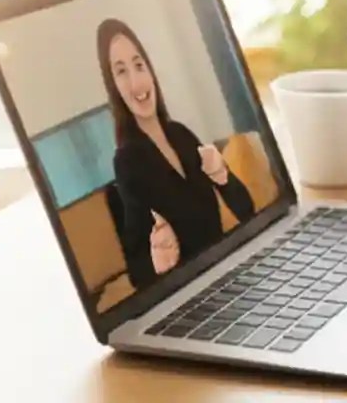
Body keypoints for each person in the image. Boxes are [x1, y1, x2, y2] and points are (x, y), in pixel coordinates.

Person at [96, 18, 255, 289]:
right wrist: (158, 262)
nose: (136, 82)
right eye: (121, 72)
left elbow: (247, 210)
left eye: (139, 65)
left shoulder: (181, 134)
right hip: (191, 290)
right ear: (114, 87)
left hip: (227, 271)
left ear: (150, 70)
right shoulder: (127, 162)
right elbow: (138, 273)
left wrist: (222, 174)